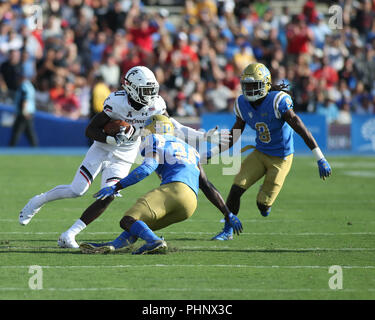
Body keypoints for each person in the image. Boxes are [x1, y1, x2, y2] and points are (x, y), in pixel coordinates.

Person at [19, 66, 230, 248]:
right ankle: (38, 201)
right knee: (77, 190)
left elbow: (172, 126)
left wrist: (203, 135)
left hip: (127, 152)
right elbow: (90, 130)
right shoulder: (116, 102)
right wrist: (111, 139)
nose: (149, 95)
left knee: (108, 195)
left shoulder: (156, 104)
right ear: (131, 87)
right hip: (102, 147)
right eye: (145, 90)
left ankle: (69, 235)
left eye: (151, 90)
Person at [79, 115, 242, 254]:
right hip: (190, 205)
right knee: (138, 225)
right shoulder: (190, 149)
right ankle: (115, 245)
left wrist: (117, 186)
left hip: (174, 190)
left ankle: (155, 242)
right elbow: (206, 185)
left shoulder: (155, 138)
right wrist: (228, 214)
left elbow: (148, 167)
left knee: (127, 220)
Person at [207, 62, 331, 240]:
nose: (248, 90)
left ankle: (265, 200)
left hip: (281, 158)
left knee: (262, 206)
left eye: (253, 85)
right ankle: (227, 231)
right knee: (236, 188)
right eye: (246, 85)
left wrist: (319, 157)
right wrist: (211, 153)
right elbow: (234, 136)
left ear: (265, 85)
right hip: (260, 153)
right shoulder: (242, 103)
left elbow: (300, 128)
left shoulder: (277, 101)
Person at [9, 73, 38, 147]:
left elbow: (25, 99)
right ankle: (35, 148)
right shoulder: (29, 85)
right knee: (29, 132)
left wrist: (24, 111)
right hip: (27, 112)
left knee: (17, 131)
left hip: (24, 113)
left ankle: (10, 149)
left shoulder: (24, 86)